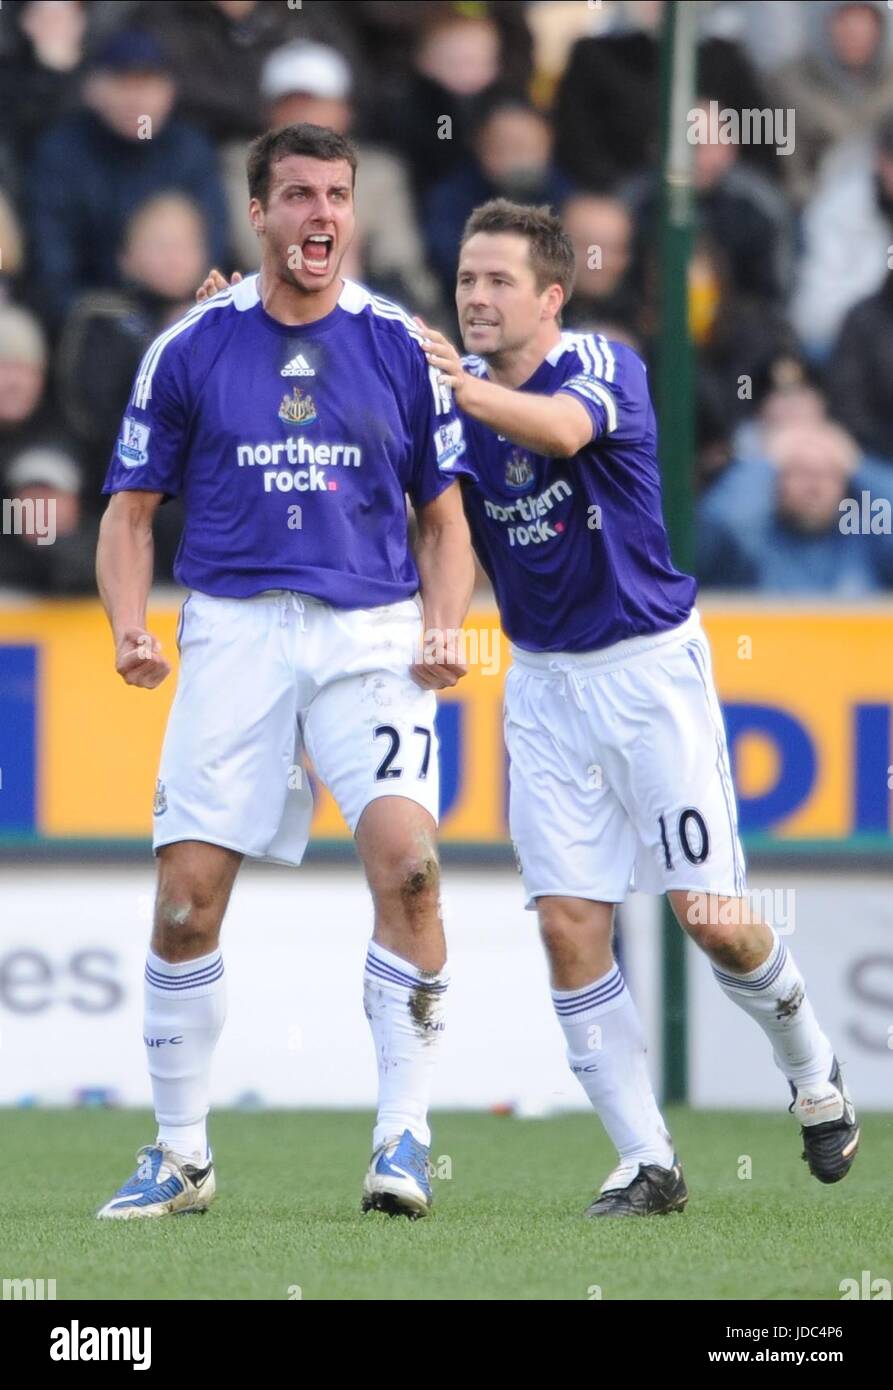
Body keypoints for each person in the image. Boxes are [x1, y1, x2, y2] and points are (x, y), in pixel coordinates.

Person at [416, 199, 859, 1215]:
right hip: (541, 686)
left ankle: (809, 1063)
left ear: (551, 297)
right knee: (571, 926)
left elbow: (561, 431)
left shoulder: (598, 365)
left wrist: (454, 389)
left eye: (497, 282)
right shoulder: (457, 403)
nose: (475, 298)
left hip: (647, 675)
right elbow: (431, 518)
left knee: (710, 919)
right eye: (466, 281)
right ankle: (645, 1160)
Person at [94, 124, 475, 1222]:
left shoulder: (402, 345)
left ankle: (402, 1139)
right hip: (235, 631)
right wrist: (130, 624)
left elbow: (445, 524)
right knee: (182, 902)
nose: (319, 216)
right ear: (256, 213)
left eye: (338, 196)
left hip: (368, 636)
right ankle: (181, 1155)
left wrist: (444, 624)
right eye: (297, 195)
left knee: (409, 868)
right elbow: (127, 514)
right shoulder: (190, 344)